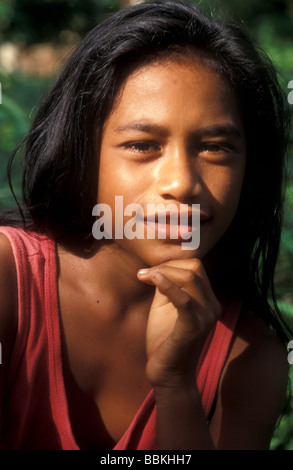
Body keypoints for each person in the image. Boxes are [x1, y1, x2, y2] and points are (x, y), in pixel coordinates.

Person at [0, 0, 291, 450]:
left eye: (215, 147)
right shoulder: (8, 286)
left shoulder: (250, 360)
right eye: (142, 145)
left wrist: (176, 388)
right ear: (83, 154)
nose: (182, 183)